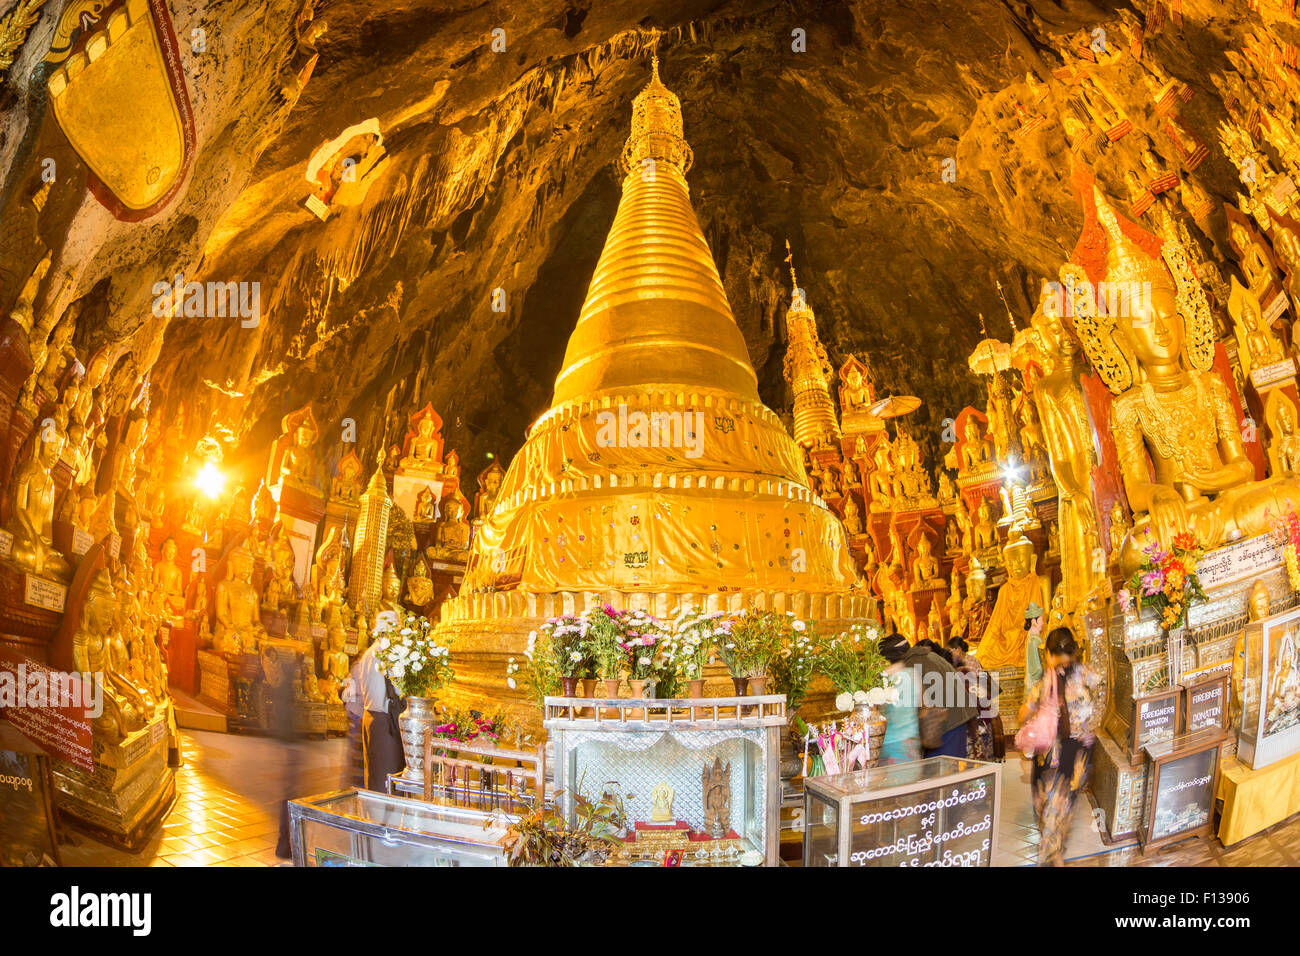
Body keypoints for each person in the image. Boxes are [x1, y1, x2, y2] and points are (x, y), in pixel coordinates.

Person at [1018, 627, 1103, 866]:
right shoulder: (1089, 675)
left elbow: (1024, 712)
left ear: (1050, 653)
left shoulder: (1049, 680)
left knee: (1050, 809)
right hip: (1080, 753)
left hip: (1054, 754)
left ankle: (1053, 858)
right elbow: (1100, 702)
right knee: (1065, 805)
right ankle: (1057, 855)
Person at [903, 634, 976, 757]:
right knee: (953, 767)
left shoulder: (909, 664)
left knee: (943, 769)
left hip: (945, 723)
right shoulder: (930, 657)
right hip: (958, 717)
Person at [353, 639, 405, 791]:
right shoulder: (387, 653)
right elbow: (398, 689)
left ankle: (374, 809)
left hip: (369, 717)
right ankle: (386, 811)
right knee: (389, 773)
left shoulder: (368, 653)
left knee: (374, 773)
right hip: (385, 720)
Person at [948, 637, 1000, 761]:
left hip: (975, 708)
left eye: (951, 650)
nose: (950, 654)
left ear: (958, 649)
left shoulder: (966, 665)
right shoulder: (972, 661)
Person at [879, 634, 921, 764]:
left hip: (891, 742)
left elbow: (881, 713)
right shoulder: (913, 674)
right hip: (912, 740)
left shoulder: (885, 680)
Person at [1023, 602, 1045, 689]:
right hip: (1035, 684)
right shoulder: (1033, 641)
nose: (1043, 623)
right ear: (1033, 621)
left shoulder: (1033, 638)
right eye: (1041, 620)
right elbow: (1037, 669)